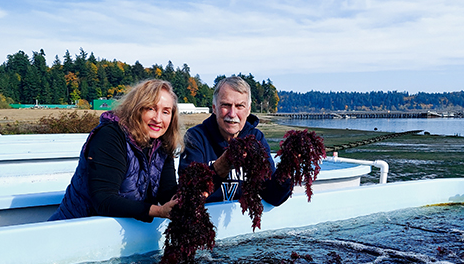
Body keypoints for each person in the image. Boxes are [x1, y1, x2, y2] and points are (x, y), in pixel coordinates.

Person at [49, 79, 182, 222]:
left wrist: (196, 192)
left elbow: (167, 192)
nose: (158, 119)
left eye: (166, 112)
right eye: (151, 108)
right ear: (136, 108)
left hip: (121, 232)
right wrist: (157, 210)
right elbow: (104, 199)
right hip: (74, 227)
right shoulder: (110, 136)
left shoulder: (161, 144)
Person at [178, 76, 292, 205]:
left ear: (248, 110)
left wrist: (287, 169)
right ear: (214, 108)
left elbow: (273, 196)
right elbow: (188, 194)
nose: (232, 114)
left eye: (239, 106)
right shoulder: (196, 137)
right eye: (226, 105)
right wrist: (221, 167)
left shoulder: (256, 139)